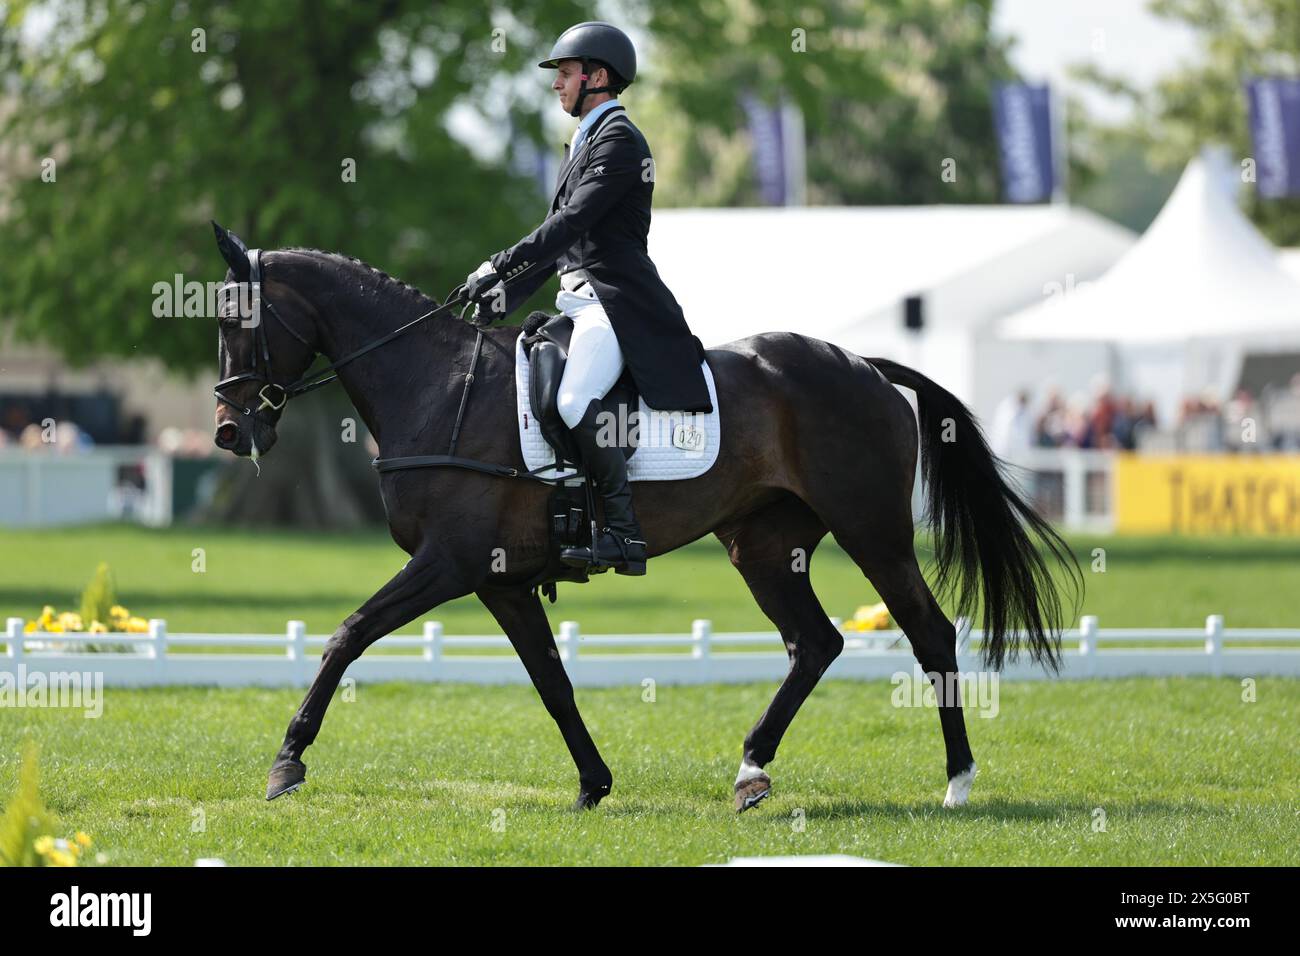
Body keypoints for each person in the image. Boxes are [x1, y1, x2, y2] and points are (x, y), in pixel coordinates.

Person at [462, 21, 713, 576]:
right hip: (579, 300)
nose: (557, 85)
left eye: (566, 74)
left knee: (575, 401)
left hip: (614, 303)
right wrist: (501, 293)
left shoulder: (620, 141)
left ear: (597, 78)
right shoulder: (585, 142)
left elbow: (571, 221)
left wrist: (497, 262)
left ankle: (624, 534)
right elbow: (563, 244)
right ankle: (567, 516)